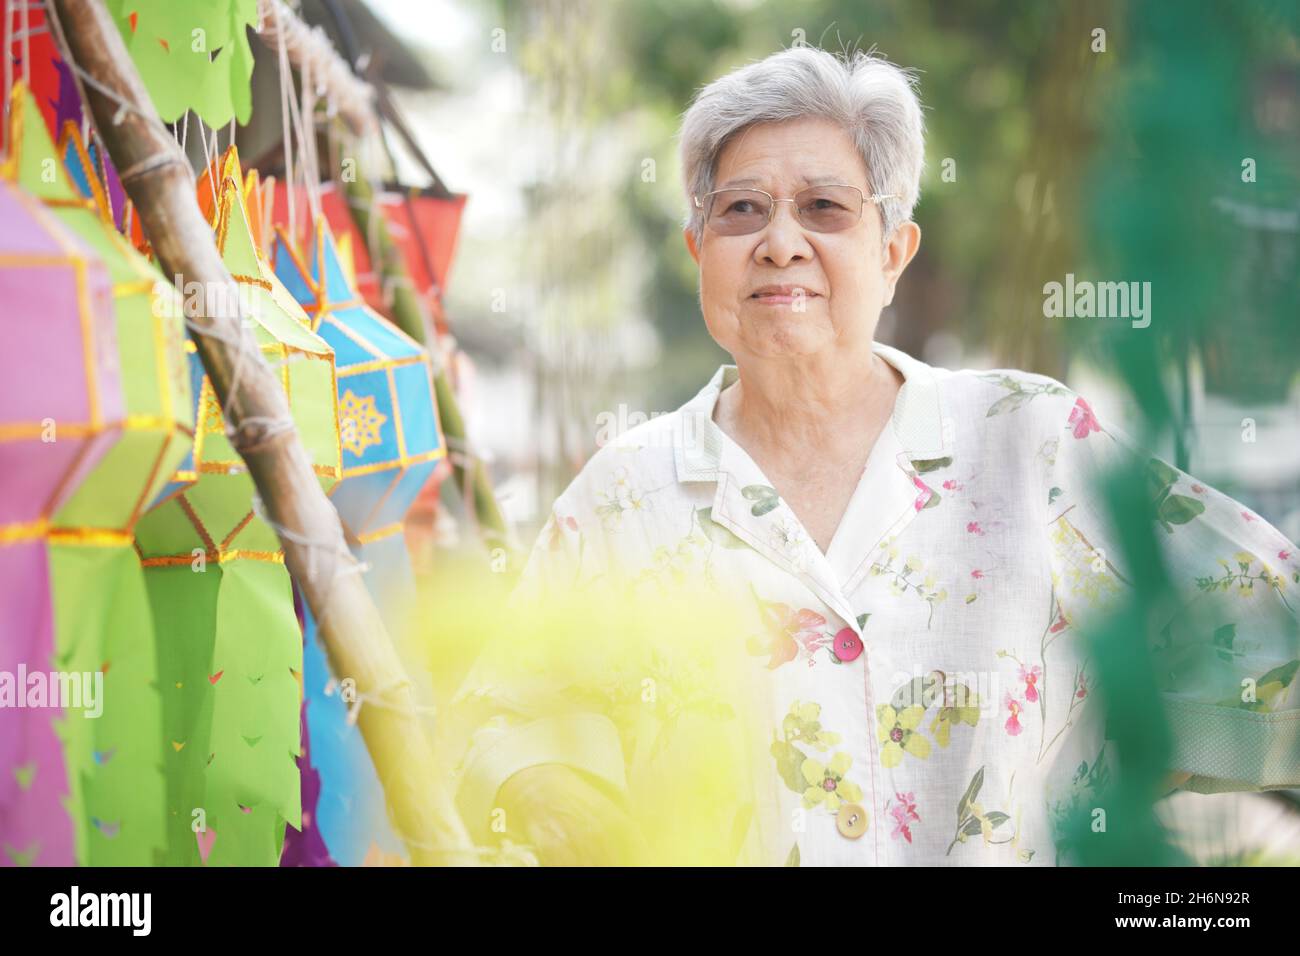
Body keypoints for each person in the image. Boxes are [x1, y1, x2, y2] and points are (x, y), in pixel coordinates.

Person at [448, 45, 1300, 866]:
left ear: (894, 252)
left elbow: (1269, 625)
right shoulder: (625, 493)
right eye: (741, 210)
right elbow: (501, 715)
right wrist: (551, 790)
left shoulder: (1030, 441)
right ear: (697, 251)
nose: (780, 242)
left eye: (824, 208)